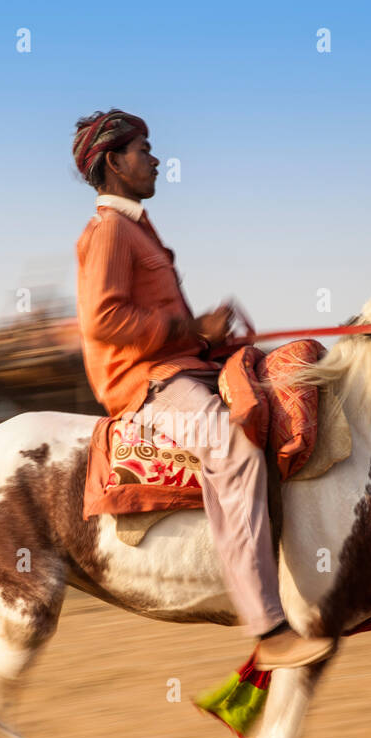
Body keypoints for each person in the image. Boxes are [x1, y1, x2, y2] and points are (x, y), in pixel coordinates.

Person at [72, 109, 334, 670]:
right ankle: (267, 627)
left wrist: (211, 339)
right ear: (116, 163)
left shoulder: (138, 228)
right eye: (144, 150)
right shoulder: (110, 231)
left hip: (181, 368)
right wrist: (193, 330)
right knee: (234, 446)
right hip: (149, 385)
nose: (156, 159)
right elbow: (102, 319)